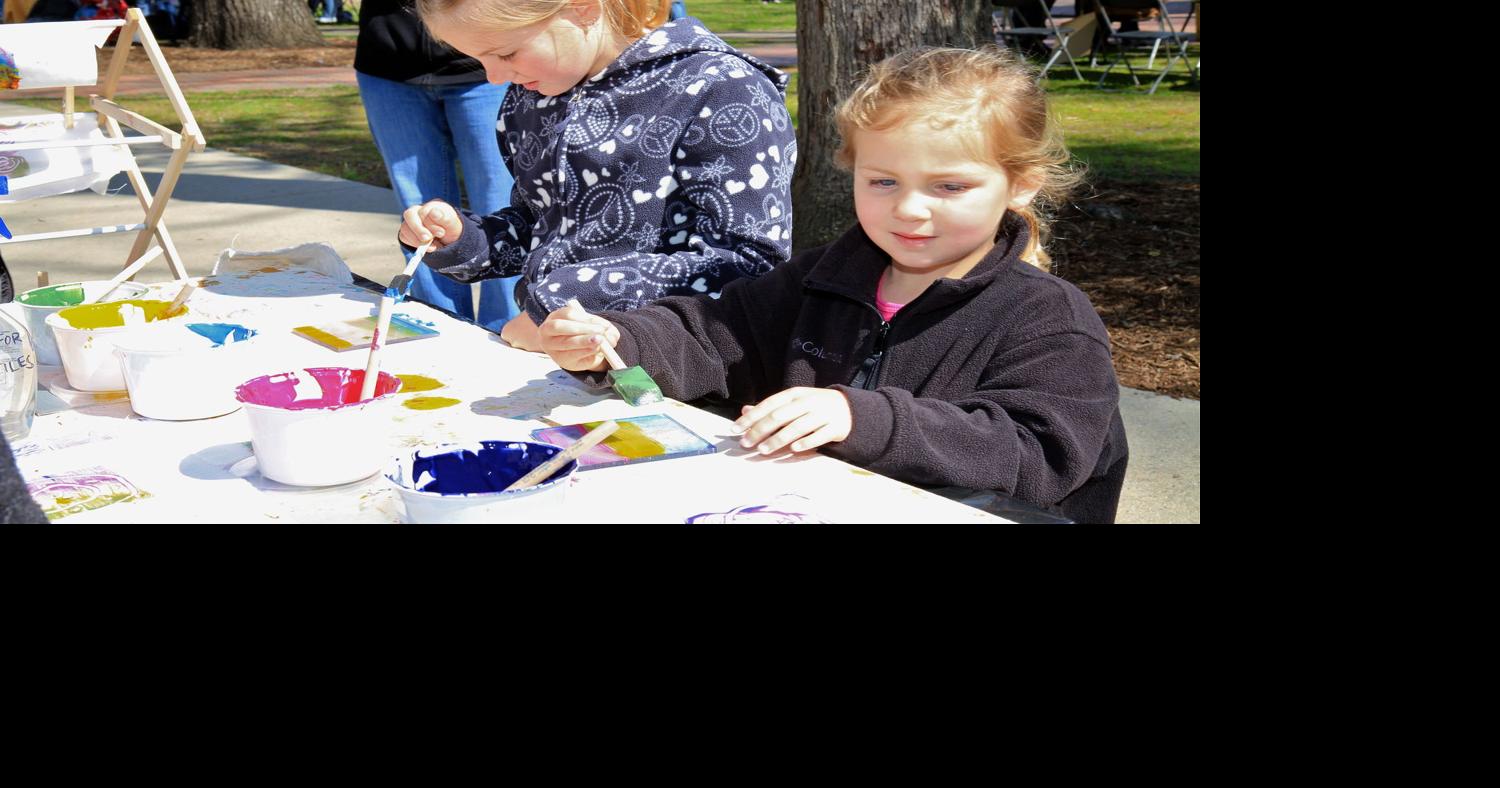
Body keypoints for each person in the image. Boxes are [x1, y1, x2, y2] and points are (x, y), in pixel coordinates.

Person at [537, 47, 1129, 523]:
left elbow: (1038, 454)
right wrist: (619, 340)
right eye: (883, 181)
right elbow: (716, 335)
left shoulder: (1049, 319)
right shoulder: (825, 278)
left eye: (949, 187)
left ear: (1020, 184)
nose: (910, 210)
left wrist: (863, 419)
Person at [397, 0, 796, 351]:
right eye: (478, 59)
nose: (494, 77)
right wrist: (464, 240)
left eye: (507, 53)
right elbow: (544, 228)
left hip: (674, 363)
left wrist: (557, 304)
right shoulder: (532, 96)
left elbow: (748, 262)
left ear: (583, 8)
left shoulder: (721, 88)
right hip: (560, 353)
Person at [357, 0, 521, 332]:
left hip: (486, 61)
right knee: (419, 218)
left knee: (503, 203)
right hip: (388, 62)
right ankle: (438, 326)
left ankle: (506, 332)